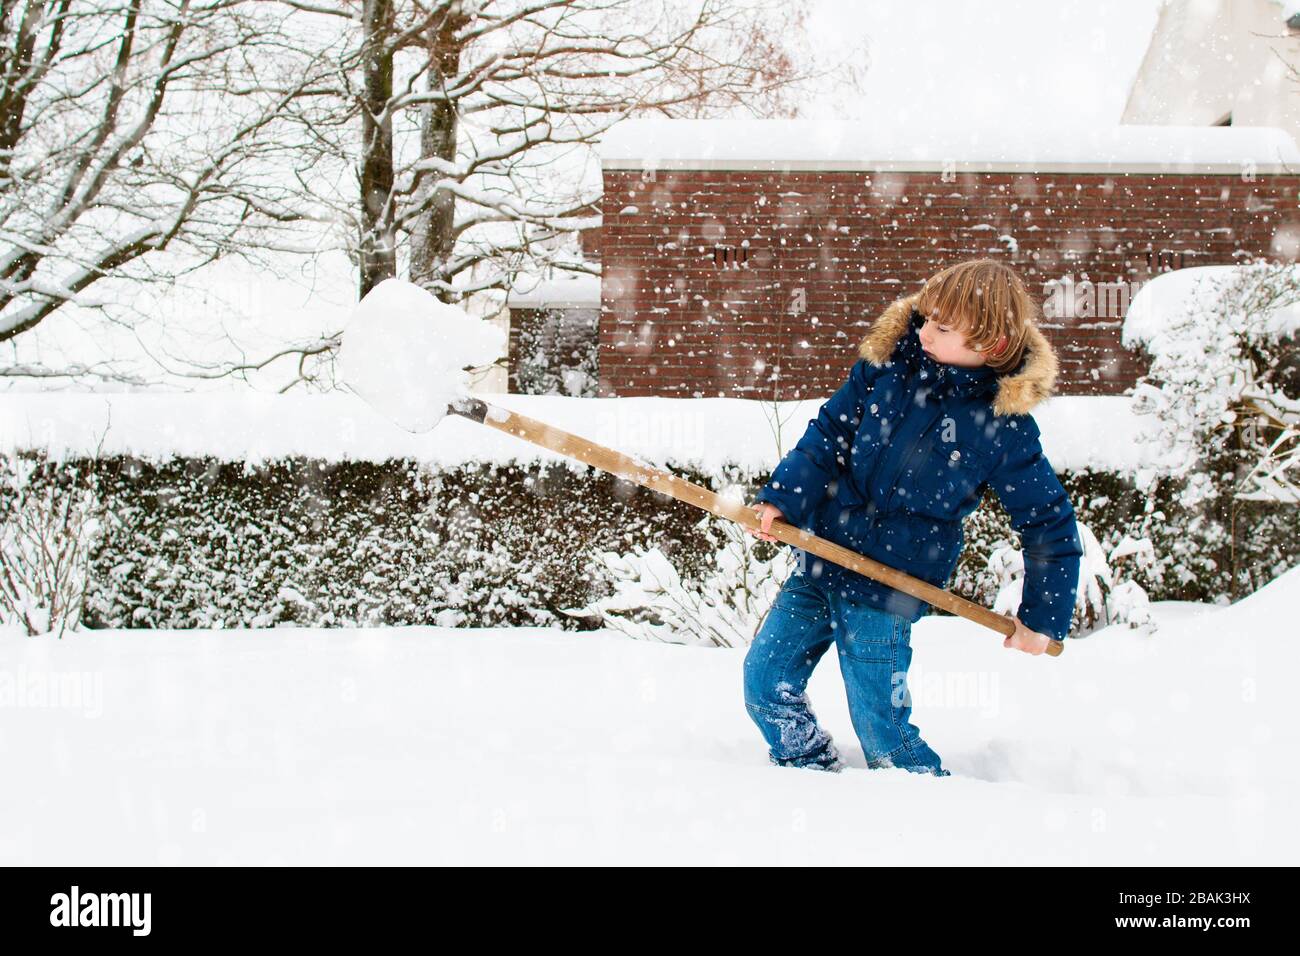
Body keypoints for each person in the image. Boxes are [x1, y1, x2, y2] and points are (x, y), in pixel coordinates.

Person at [743, 258, 1084, 775]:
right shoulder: (884, 371)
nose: (922, 331)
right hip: (821, 559)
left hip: (891, 584)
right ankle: (806, 770)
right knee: (765, 682)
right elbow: (827, 436)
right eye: (926, 317)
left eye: (942, 327)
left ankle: (925, 803)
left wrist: (1042, 617)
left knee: (883, 729)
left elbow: (1048, 522)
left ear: (989, 345)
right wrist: (781, 500)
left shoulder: (1002, 424)